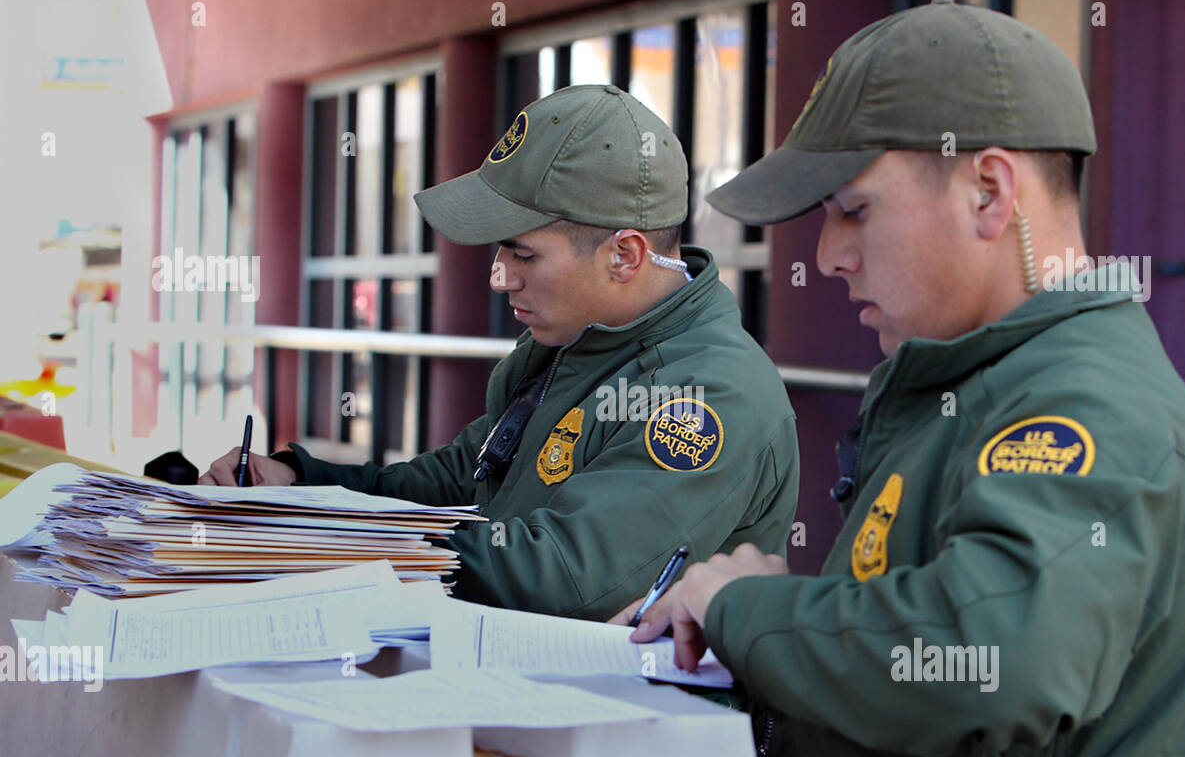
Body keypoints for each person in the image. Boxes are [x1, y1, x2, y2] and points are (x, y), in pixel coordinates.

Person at [614, 0, 1185, 757]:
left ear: (989, 193)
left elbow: (993, 654)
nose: (827, 256)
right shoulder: (986, 381)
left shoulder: (1087, 405)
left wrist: (748, 611)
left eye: (854, 208)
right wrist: (772, 609)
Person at [201, 84, 800, 621]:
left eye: (524, 255)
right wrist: (300, 487)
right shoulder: (577, 340)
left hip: (634, 733)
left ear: (625, 255)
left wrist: (323, 541)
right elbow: (463, 478)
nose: (499, 277)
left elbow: (564, 576)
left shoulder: (709, 391)